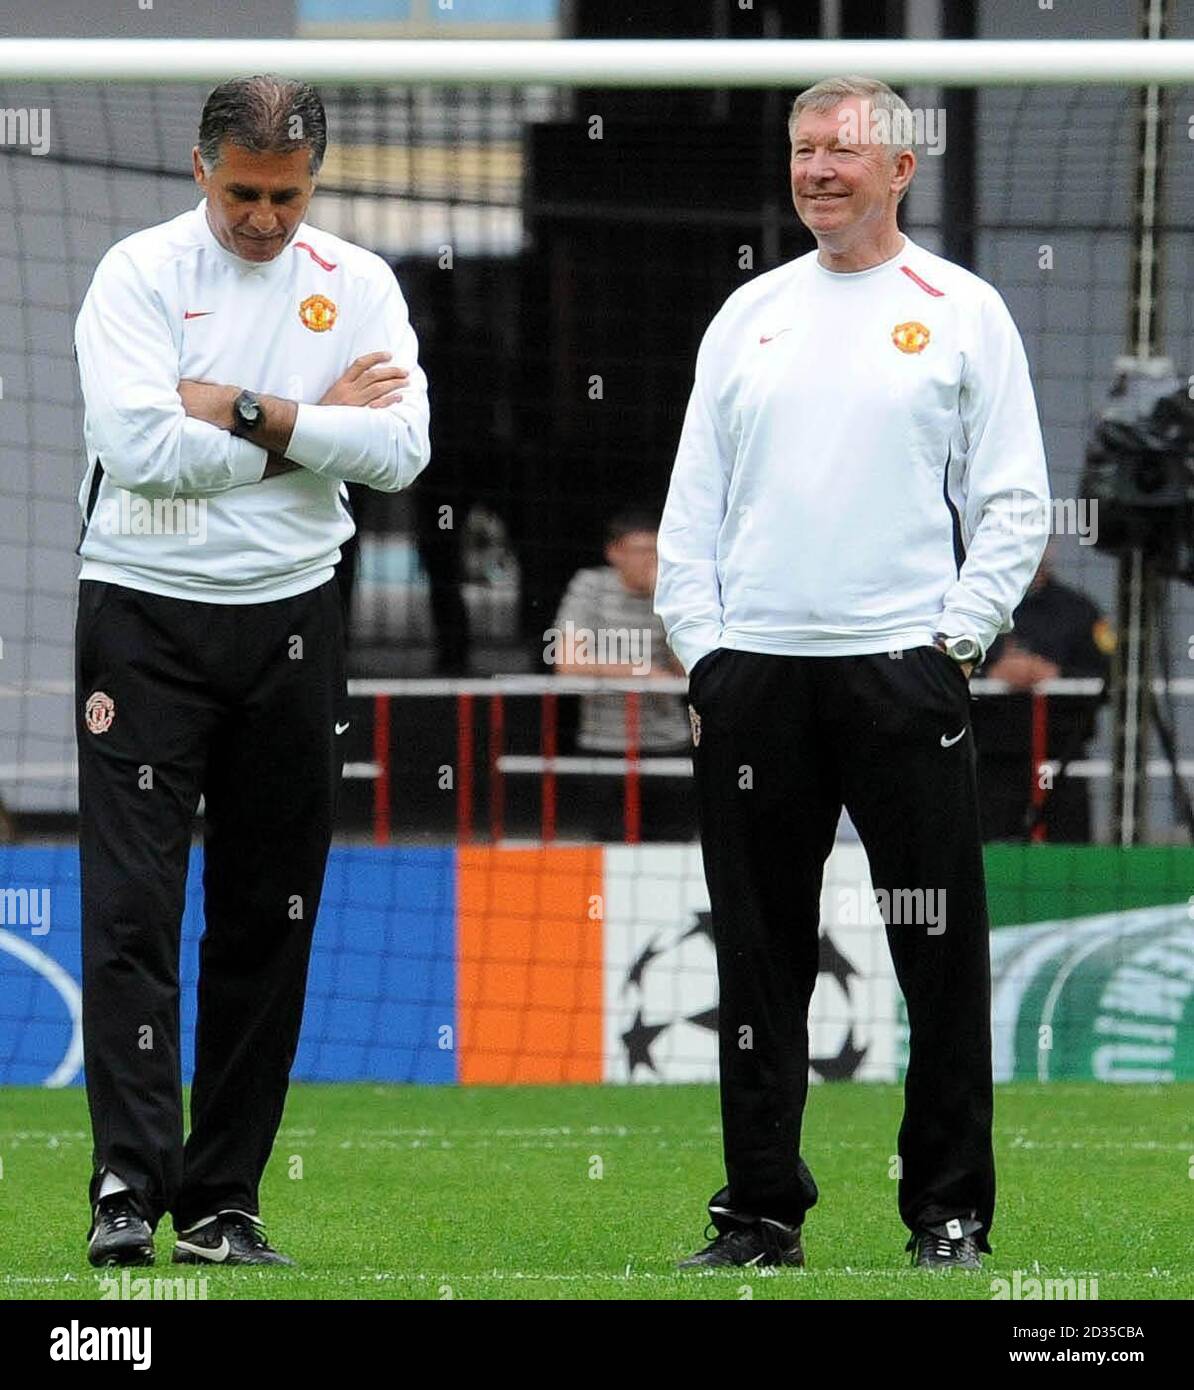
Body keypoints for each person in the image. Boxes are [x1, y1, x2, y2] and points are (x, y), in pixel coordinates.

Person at [654, 75, 1050, 1271]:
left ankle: (948, 1214)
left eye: (842, 150)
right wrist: (707, 651)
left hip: (901, 682)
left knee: (940, 960)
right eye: (803, 149)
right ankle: (760, 1211)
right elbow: (692, 512)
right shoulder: (748, 316)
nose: (818, 168)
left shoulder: (965, 309)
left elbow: (1016, 503)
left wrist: (954, 645)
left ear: (900, 168)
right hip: (757, 684)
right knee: (758, 961)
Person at [73, 75, 430, 1267]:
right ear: (199, 168)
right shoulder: (136, 274)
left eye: (286, 194)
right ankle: (126, 1186)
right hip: (142, 616)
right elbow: (135, 449)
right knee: (133, 911)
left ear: (312, 179)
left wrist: (238, 410)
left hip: (294, 623)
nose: (265, 218)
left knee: (266, 922)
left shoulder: (359, 282)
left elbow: (400, 451)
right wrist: (308, 426)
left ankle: (223, 1200)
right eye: (244, 193)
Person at [552, 508, 694, 841]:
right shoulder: (590, 586)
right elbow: (568, 663)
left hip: (668, 743)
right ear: (614, 552)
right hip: (605, 744)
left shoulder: (673, 591)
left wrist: (670, 607)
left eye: (657, 552)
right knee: (611, 846)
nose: (651, 560)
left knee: (673, 851)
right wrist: (640, 673)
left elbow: (685, 671)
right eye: (642, 550)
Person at [972, 544, 1114, 842]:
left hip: (1063, 761)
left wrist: (1055, 677)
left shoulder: (1078, 610)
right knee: (987, 854)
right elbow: (945, 672)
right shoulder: (977, 608)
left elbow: (1105, 681)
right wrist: (992, 673)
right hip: (993, 760)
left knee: (1070, 857)